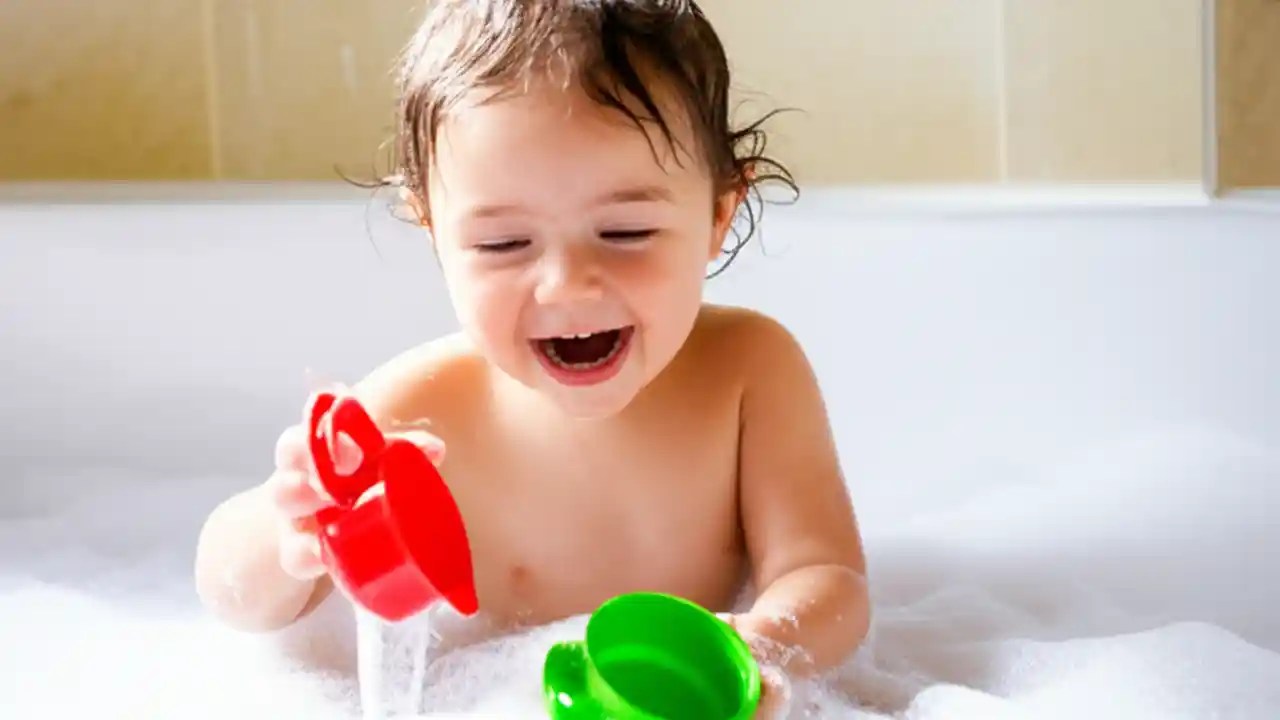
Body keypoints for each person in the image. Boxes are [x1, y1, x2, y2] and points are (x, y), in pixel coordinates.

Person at [194, 0, 869, 714]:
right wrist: (287, 533)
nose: (566, 283)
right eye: (503, 245)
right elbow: (232, 596)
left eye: (626, 231)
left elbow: (826, 575)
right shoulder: (421, 416)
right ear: (434, 233)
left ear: (717, 218)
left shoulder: (749, 371)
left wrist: (759, 644)